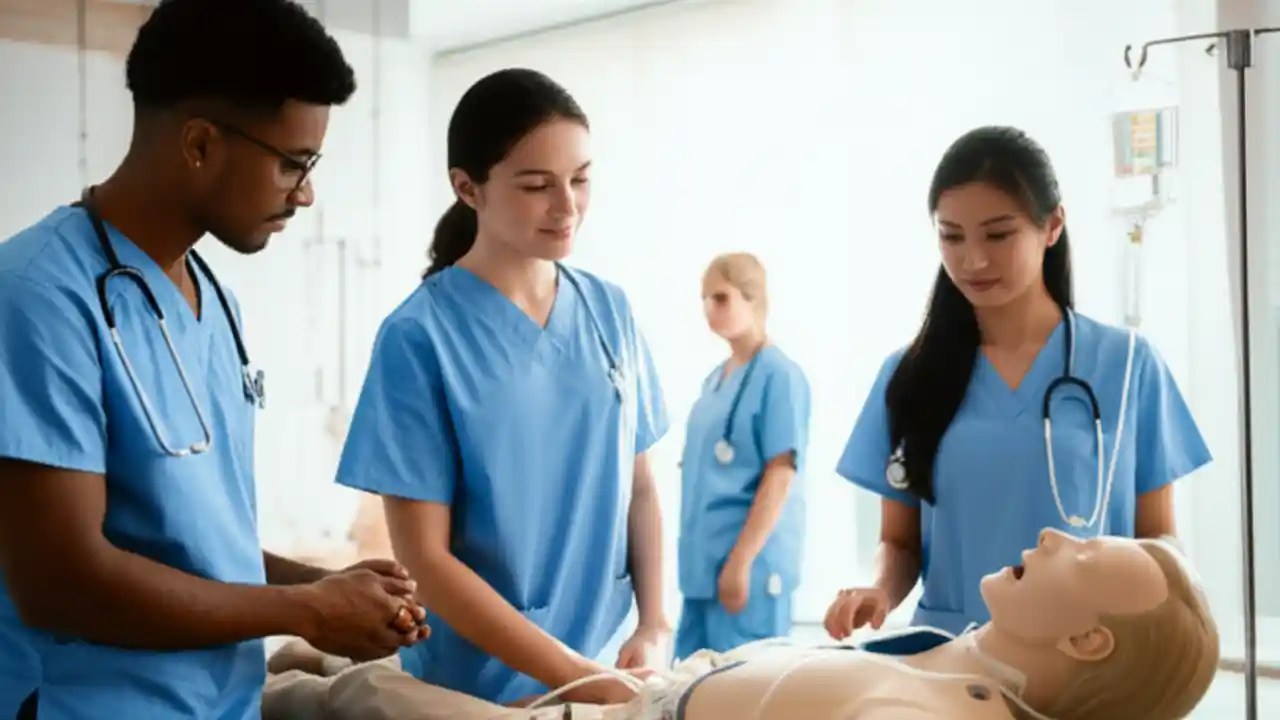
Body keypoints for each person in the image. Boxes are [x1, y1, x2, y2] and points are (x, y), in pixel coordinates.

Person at [0, 1, 429, 718]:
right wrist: (303, 609)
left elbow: (187, 543)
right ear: (199, 143)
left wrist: (325, 587)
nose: (307, 192)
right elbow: (62, 581)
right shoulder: (39, 296)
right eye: (293, 163)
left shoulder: (213, 301)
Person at [332, 67, 671, 708]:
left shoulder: (610, 311)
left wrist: (654, 625)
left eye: (580, 179)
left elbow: (643, 488)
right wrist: (574, 674)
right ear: (468, 188)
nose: (567, 206)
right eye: (537, 185)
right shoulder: (418, 336)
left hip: (611, 667)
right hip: (477, 687)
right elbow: (425, 561)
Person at [827, 125, 1213, 638]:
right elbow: (901, 544)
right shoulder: (911, 375)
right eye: (952, 236)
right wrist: (876, 589)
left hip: (1091, 656)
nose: (973, 260)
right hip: (955, 663)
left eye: (998, 234)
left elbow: (1158, 537)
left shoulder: (1127, 367)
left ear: (1052, 226)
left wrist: (1175, 614)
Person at [260, 528, 1220, 720]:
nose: (1055, 532)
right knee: (350, 679)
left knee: (362, 697)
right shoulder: (951, 648)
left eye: (1085, 556)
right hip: (645, 698)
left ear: (1089, 642)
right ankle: (289, 647)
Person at [673, 253, 810, 659]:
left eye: (720, 298)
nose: (708, 310)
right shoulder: (716, 378)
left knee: (741, 692)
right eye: (704, 299)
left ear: (753, 299)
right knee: (689, 689)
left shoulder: (779, 376)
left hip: (747, 569)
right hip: (703, 569)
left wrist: (741, 562)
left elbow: (780, 475)